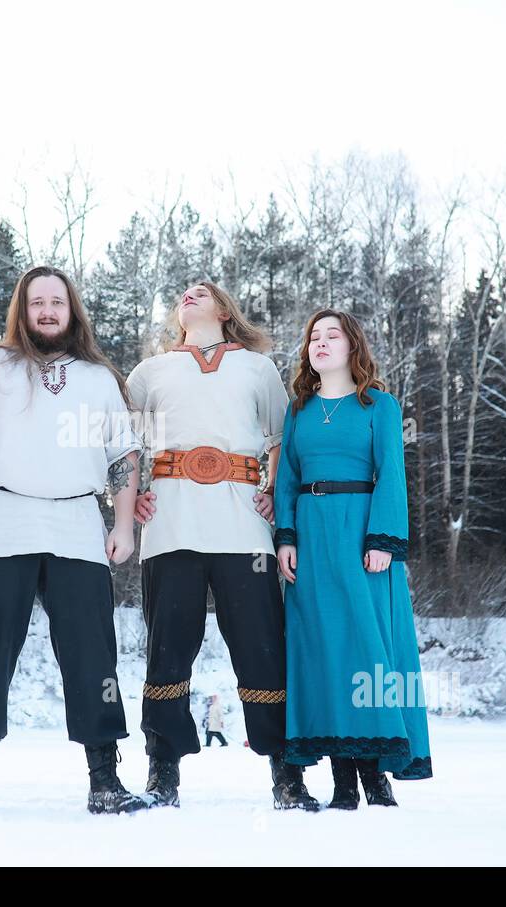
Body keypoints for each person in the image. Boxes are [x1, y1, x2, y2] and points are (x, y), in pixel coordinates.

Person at [0, 264, 148, 816]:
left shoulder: (98, 378)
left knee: (92, 653)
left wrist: (123, 525)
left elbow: (123, 456)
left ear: (72, 310)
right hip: (0, 518)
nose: (48, 310)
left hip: (76, 522)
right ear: (22, 311)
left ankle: (105, 778)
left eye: (58, 301)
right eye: (36, 303)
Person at [126, 281, 319, 811]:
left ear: (224, 310)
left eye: (202, 292)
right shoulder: (150, 373)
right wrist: (124, 501)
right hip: (170, 523)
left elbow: (283, 439)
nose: (190, 295)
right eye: (183, 294)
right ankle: (162, 772)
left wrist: (275, 498)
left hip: (243, 526)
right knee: (167, 650)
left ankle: (287, 774)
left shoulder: (256, 368)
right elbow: (119, 444)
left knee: (263, 649)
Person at [273, 307, 433, 811]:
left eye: (331, 334)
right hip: (312, 536)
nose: (320, 342)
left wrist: (383, 539)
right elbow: (287, 479)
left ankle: (375, 774)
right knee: (323, 651)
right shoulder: (298, 410)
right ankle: (343, 778)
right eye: (313, 336)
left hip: (363, 534)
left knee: (369, 651)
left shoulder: (379, 405)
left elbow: (392, 474)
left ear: (352, 346)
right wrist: (285, 535)